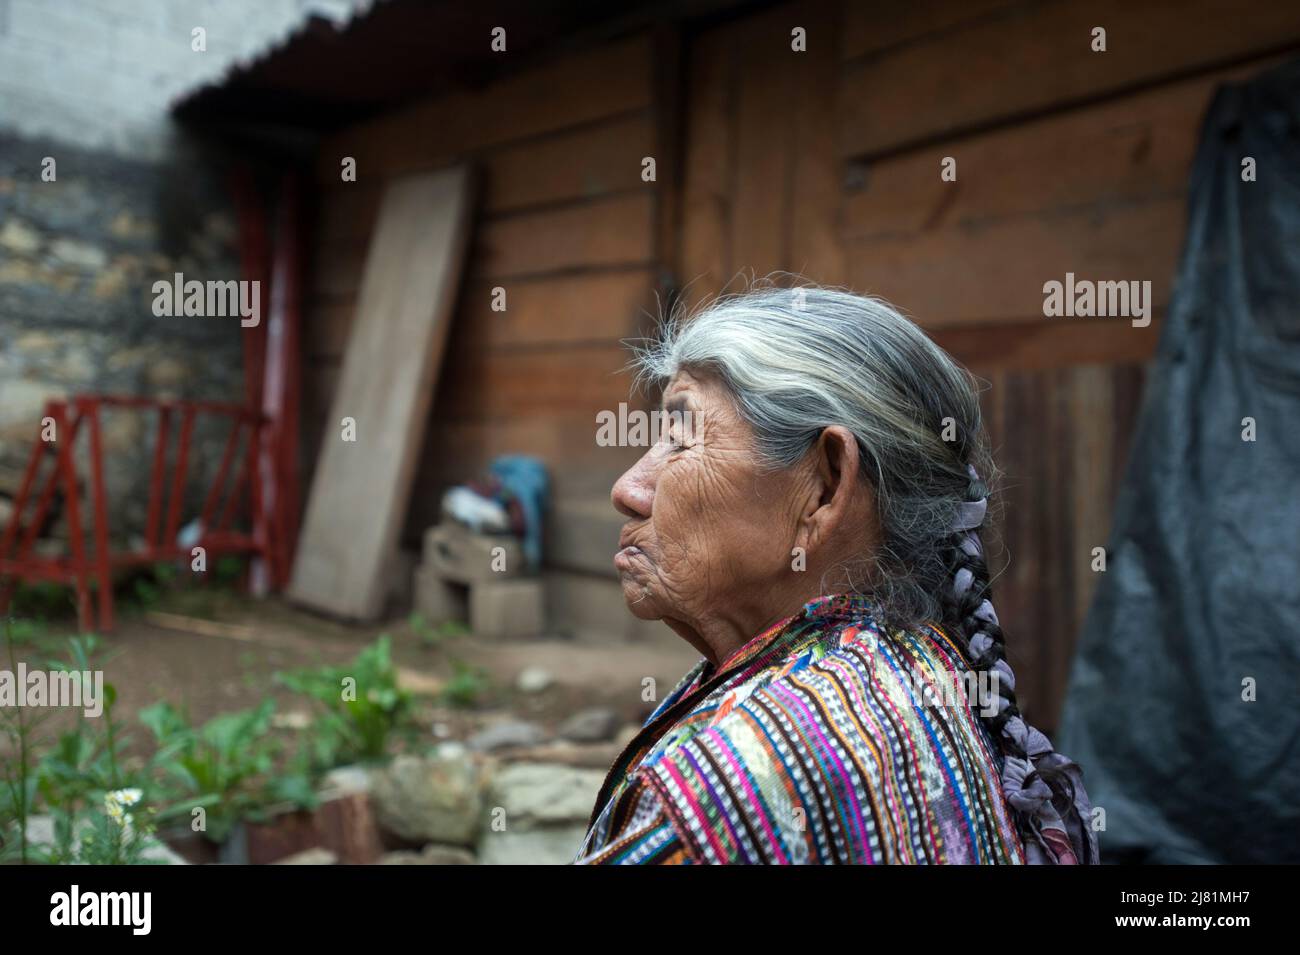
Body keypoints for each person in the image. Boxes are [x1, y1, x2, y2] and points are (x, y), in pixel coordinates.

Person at [575, 285, 1098, 865]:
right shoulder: (930, 666)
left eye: (680, 438)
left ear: (823, 486)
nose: (628, 490)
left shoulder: (721, 795)